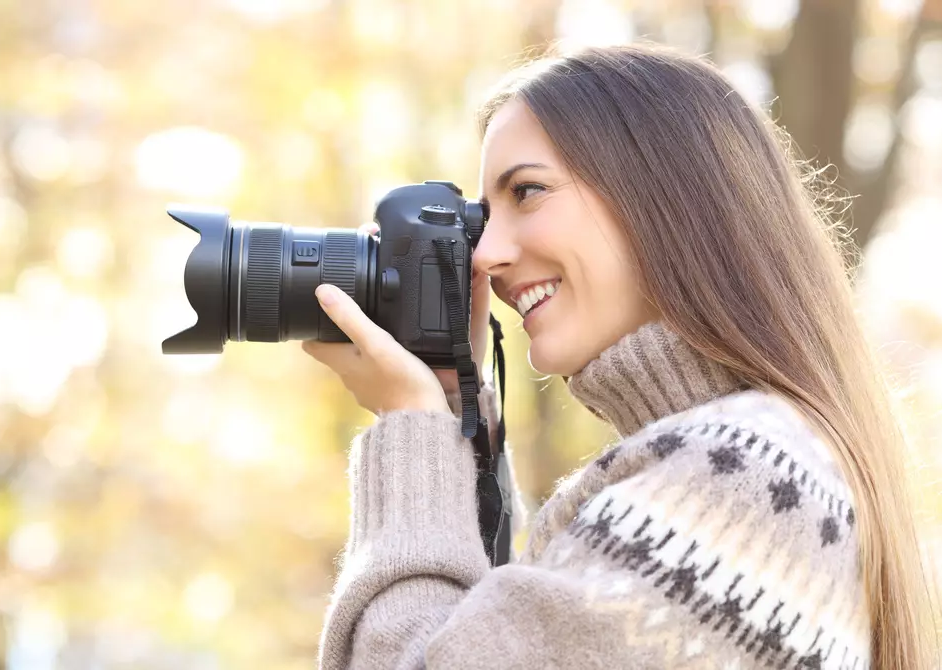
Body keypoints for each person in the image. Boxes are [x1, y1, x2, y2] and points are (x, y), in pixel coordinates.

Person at [301, 44, 937, 669]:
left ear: (667, 198)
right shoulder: (727, 465)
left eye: (527, 192)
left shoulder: (747, 474)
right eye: (483, 217)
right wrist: (451, 408)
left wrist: (413, 428)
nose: (485, 255)